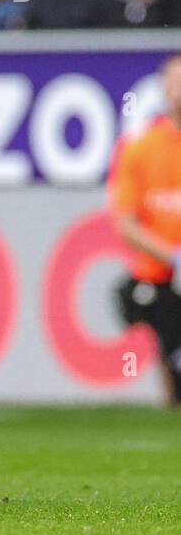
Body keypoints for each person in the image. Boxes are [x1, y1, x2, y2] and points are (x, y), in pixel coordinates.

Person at [108, 54, 181, 406]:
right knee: (172, 354)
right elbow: (125, 222)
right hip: (162, 274)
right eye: (174, 80)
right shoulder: (140, 146)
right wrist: (174, 257)